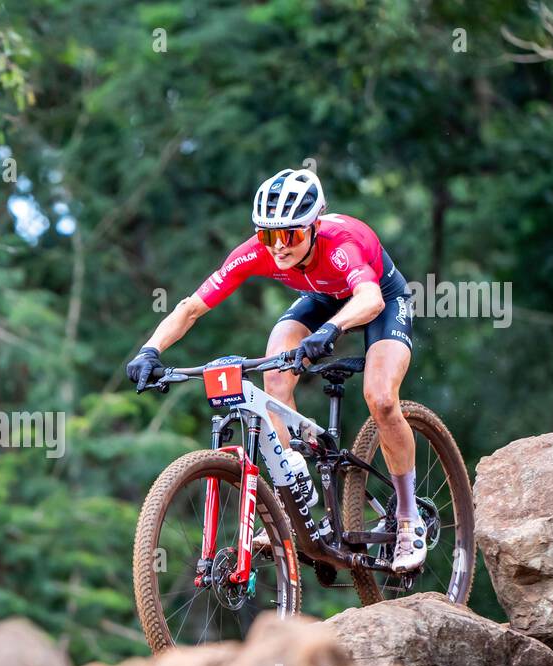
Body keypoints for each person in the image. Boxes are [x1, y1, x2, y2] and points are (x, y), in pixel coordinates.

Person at [125, 167, 426, 572]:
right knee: (274, 367)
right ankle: (294, 482)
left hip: (380, 299)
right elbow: (192, 307)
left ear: (314, 226)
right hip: (321, 296)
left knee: (382, 399)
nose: (279, 247)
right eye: (269, 235)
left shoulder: (342, 243)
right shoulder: (256, 251)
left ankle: (409, 516)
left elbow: (370, 298)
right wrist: (149, 350)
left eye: (291, 235)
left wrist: (332, 329)